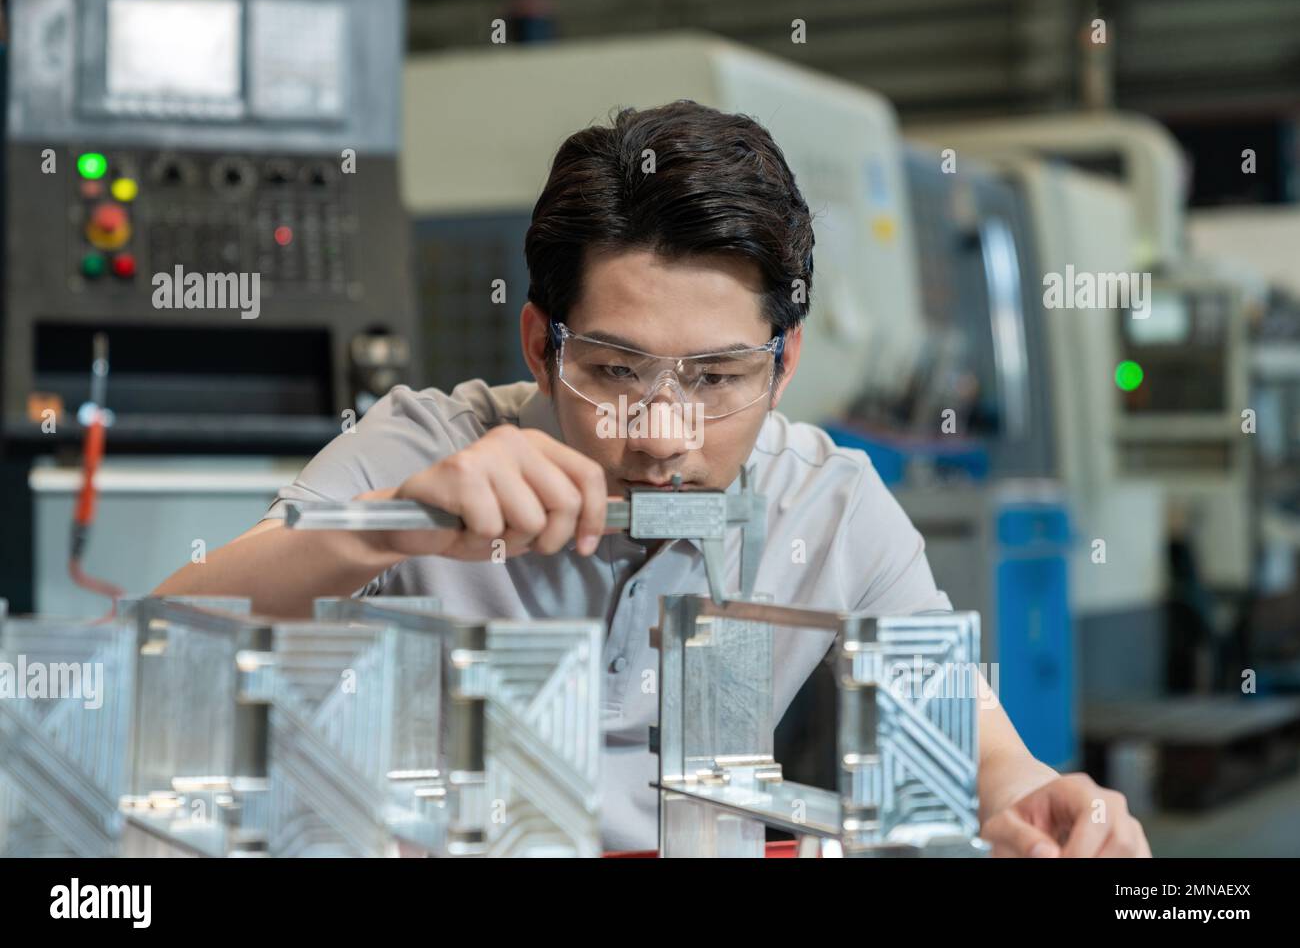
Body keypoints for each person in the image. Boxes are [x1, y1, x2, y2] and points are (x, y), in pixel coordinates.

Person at [153, 100, 1150, 857]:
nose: (662, 435)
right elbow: (153, 662)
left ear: (782, 366)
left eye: (717, 378)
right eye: (617, 372)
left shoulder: (828, 505)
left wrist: (1033, 801)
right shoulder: (424, 450)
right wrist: (378, 532)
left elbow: (967, 747)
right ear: (540, 345)